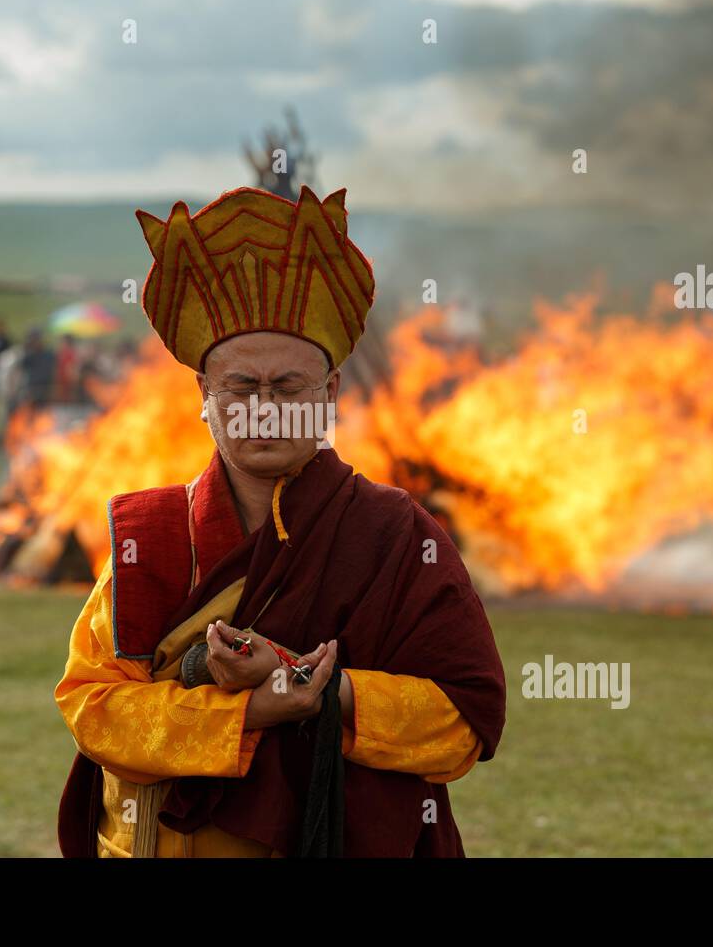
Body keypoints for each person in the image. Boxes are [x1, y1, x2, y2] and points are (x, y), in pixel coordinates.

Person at [53, 186, 506, 858]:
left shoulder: (395, 536)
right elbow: (93, 709)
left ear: (331, 397)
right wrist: (251, 711)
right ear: (204, 399)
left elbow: (460, 723)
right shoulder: (149, 536)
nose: (264, 409)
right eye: (239, 388)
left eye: (290, 388)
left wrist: (328, 693)